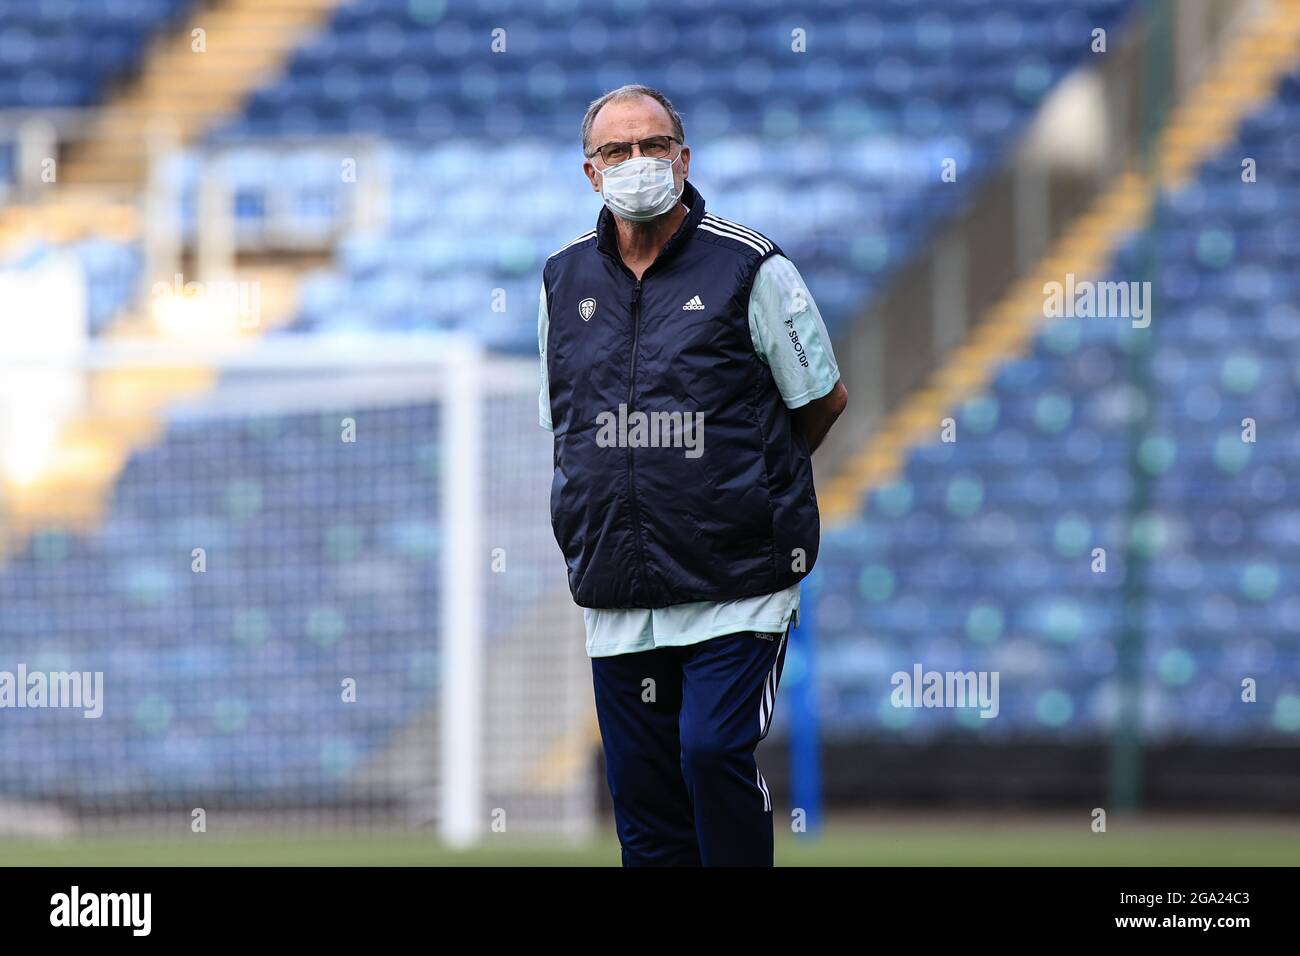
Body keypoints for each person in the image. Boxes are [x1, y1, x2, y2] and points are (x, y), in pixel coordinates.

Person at [538, 84, 846, 866]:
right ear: (590, 172)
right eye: (617, 150)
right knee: (643, 801)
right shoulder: (562, 280)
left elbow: (822, 399)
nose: (637, 163)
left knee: (710, 754)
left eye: (652, 146)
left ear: (682, 158)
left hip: (735, 583)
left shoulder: (752, 267)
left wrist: (740, 485)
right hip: (620, 589)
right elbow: (568, 426)